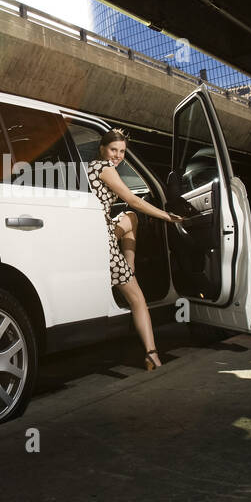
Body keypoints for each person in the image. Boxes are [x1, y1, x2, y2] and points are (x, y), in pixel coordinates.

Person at [85, 128, 184, 370]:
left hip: (99, 230)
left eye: (121, 152)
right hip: (102, 241)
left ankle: (129, 269)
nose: (117, 156)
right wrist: (166, 216)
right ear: (102, 149)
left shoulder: (92, 167)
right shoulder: (105, 168)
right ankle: (151, 354)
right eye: (113, 150)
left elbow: (129, 208)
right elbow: (134, 200)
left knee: (130, 218)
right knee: (138, 299)